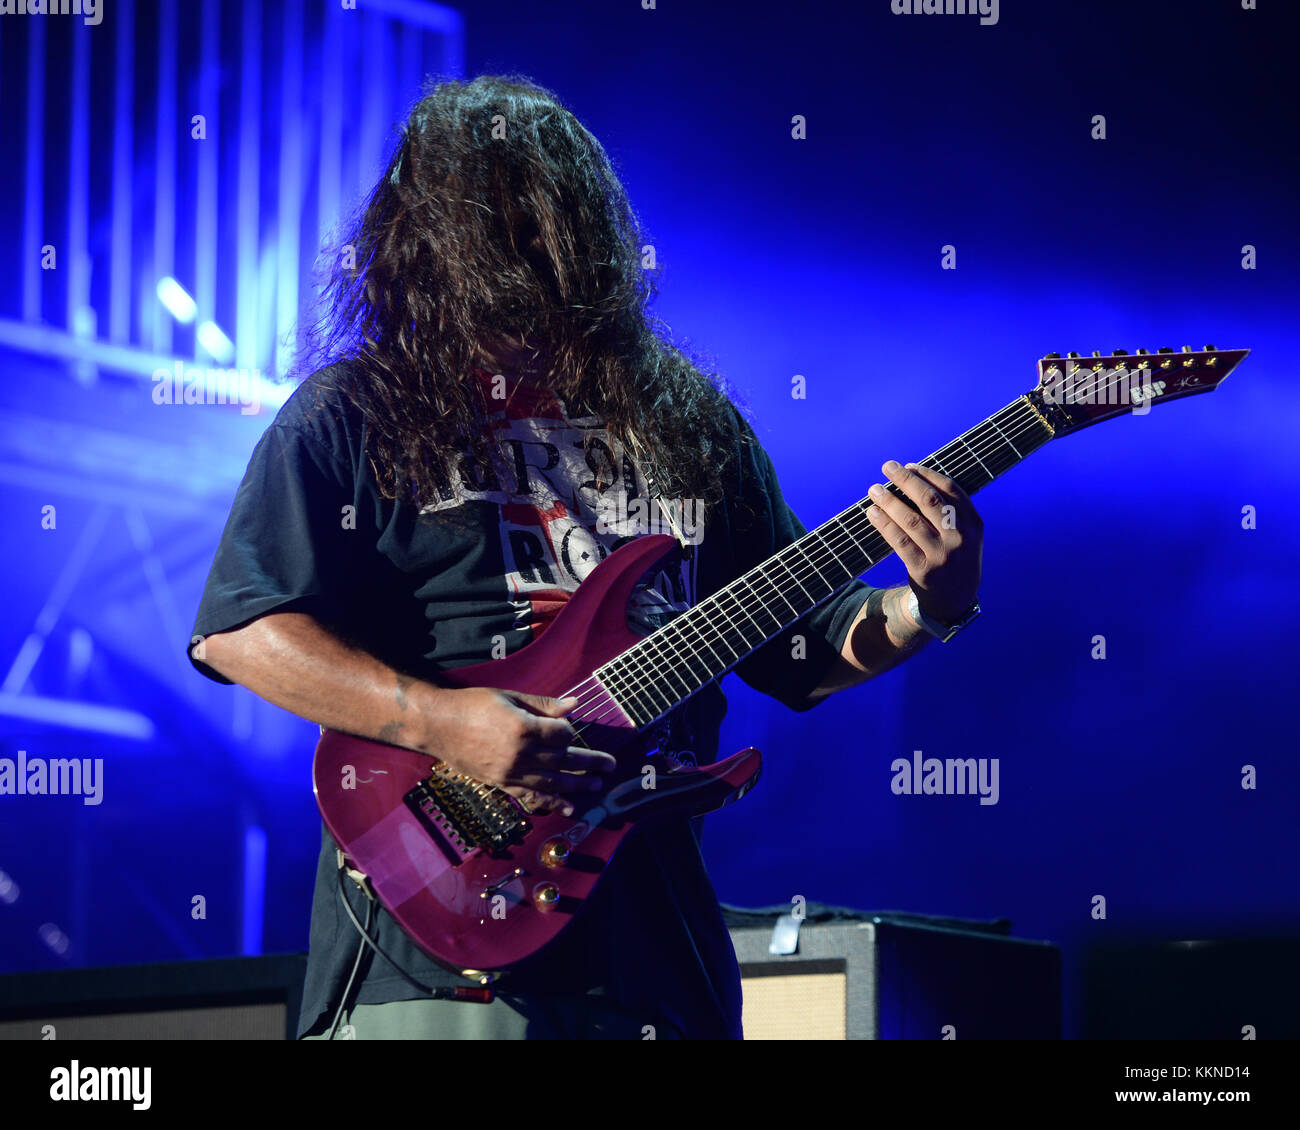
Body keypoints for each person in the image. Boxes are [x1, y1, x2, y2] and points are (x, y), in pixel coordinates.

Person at [187, 75, 983, 1041]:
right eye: (496, 221)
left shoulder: (686, 425)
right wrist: (441, 720)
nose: (525, 251)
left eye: (544, 219)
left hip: (656, 963)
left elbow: (803, 648)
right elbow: (241, 631)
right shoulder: (355, 414)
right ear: (430, 237)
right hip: (434, 958)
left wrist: (931, 603)